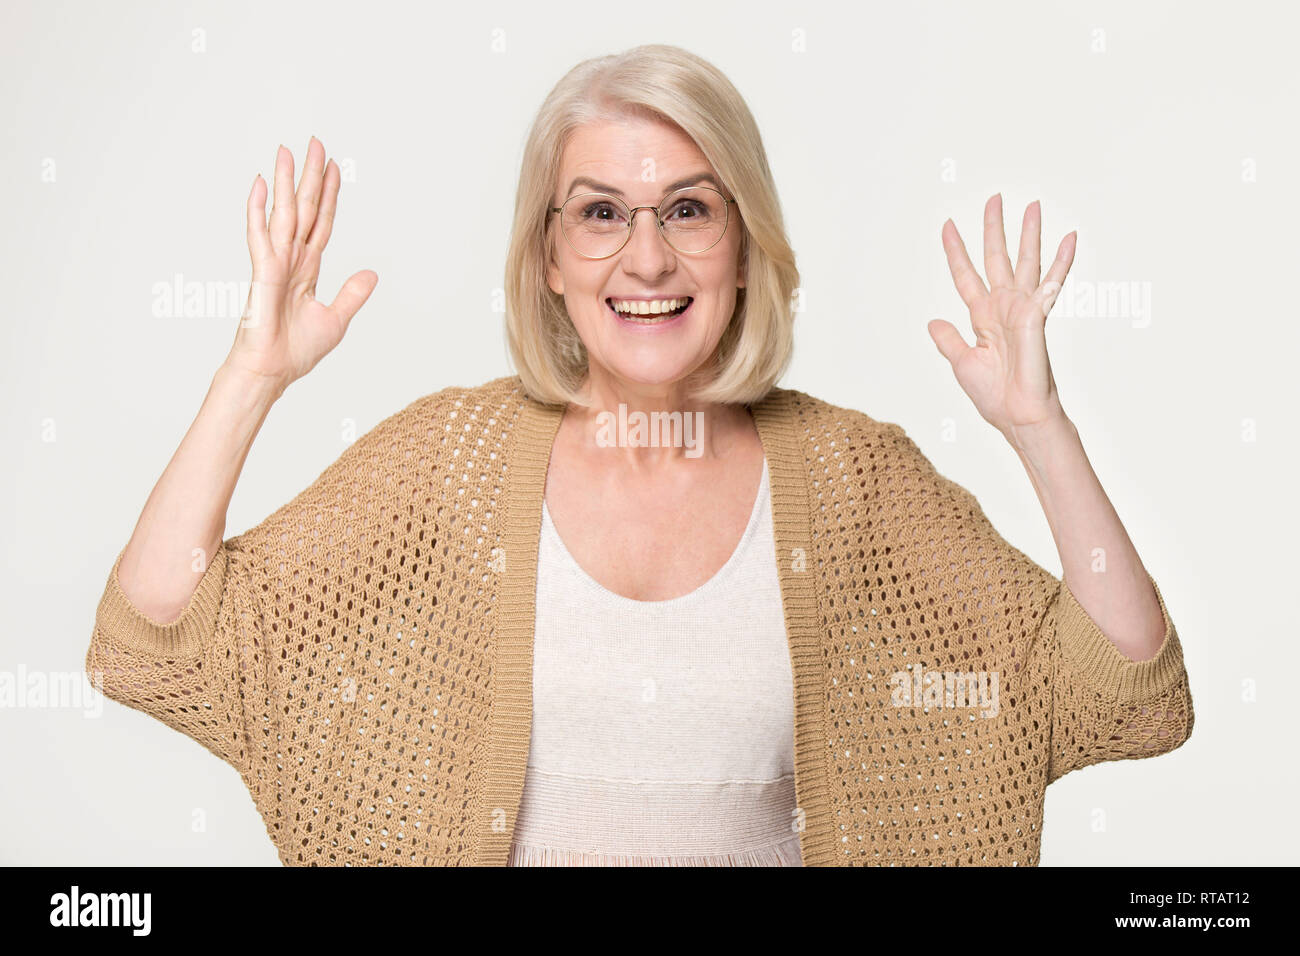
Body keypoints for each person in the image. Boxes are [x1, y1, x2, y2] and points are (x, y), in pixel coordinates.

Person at [85, 44, 1193, 867]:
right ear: (550, 258)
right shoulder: (451, 466)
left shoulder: (849, 479)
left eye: (689, 209)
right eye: (601, 211)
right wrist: (252, 373)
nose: (647, 255)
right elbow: (158, 637)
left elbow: (1121, 689)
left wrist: (1039, 428)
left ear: (747, 246)